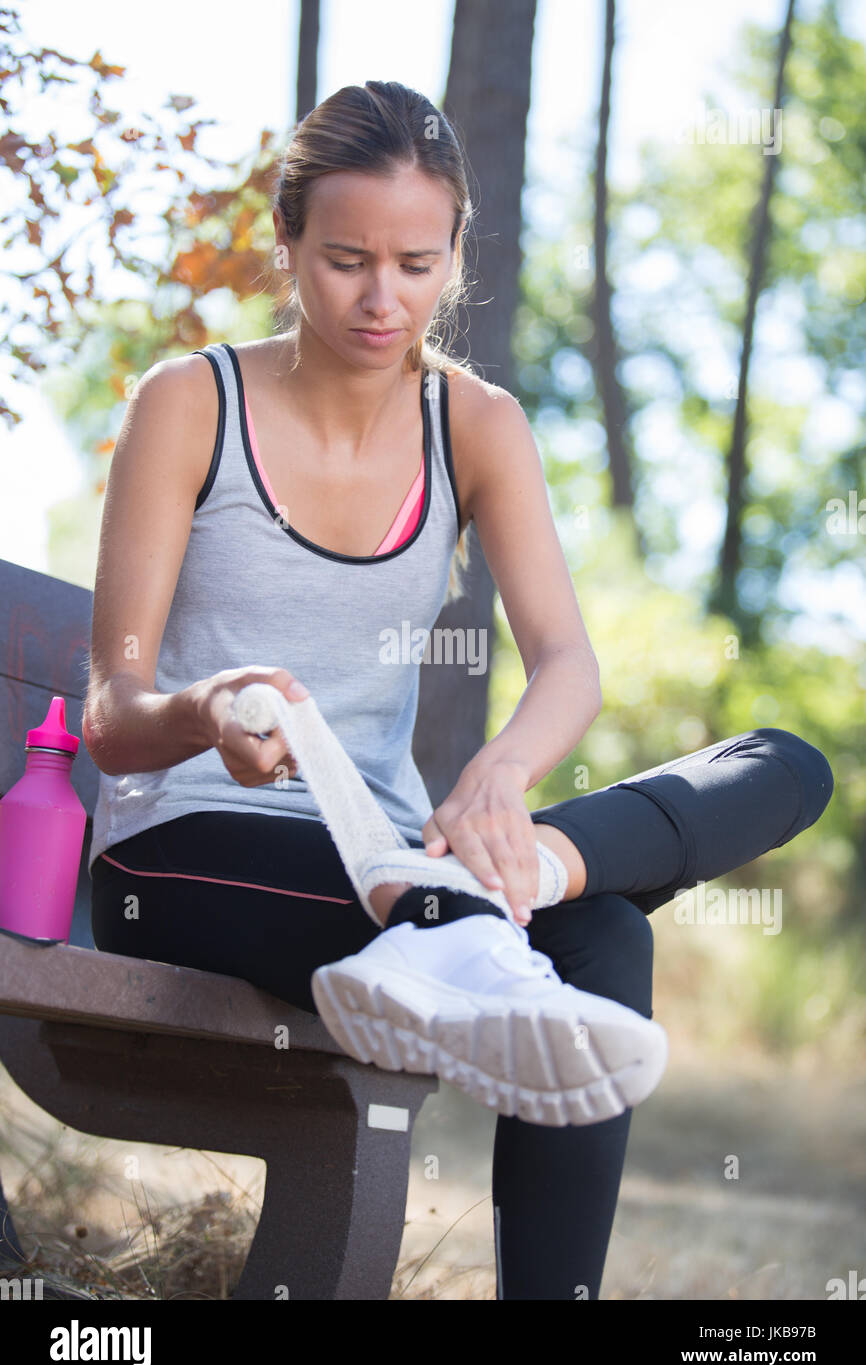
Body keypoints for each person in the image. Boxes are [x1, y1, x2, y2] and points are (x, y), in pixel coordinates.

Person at [84, 80, 834, 1300]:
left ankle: (512, 882)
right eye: (343, 261)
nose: (382, 299)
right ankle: (460, 914)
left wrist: (498, 777)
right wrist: (201, 709)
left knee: (745, 800)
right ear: (288, 244)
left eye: (416, 263)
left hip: (392, 854)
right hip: (186, 849)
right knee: (562, 926)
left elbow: (569, 663)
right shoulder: (191, 404)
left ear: (455, 256)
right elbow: (112, 718)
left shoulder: (474, 423)